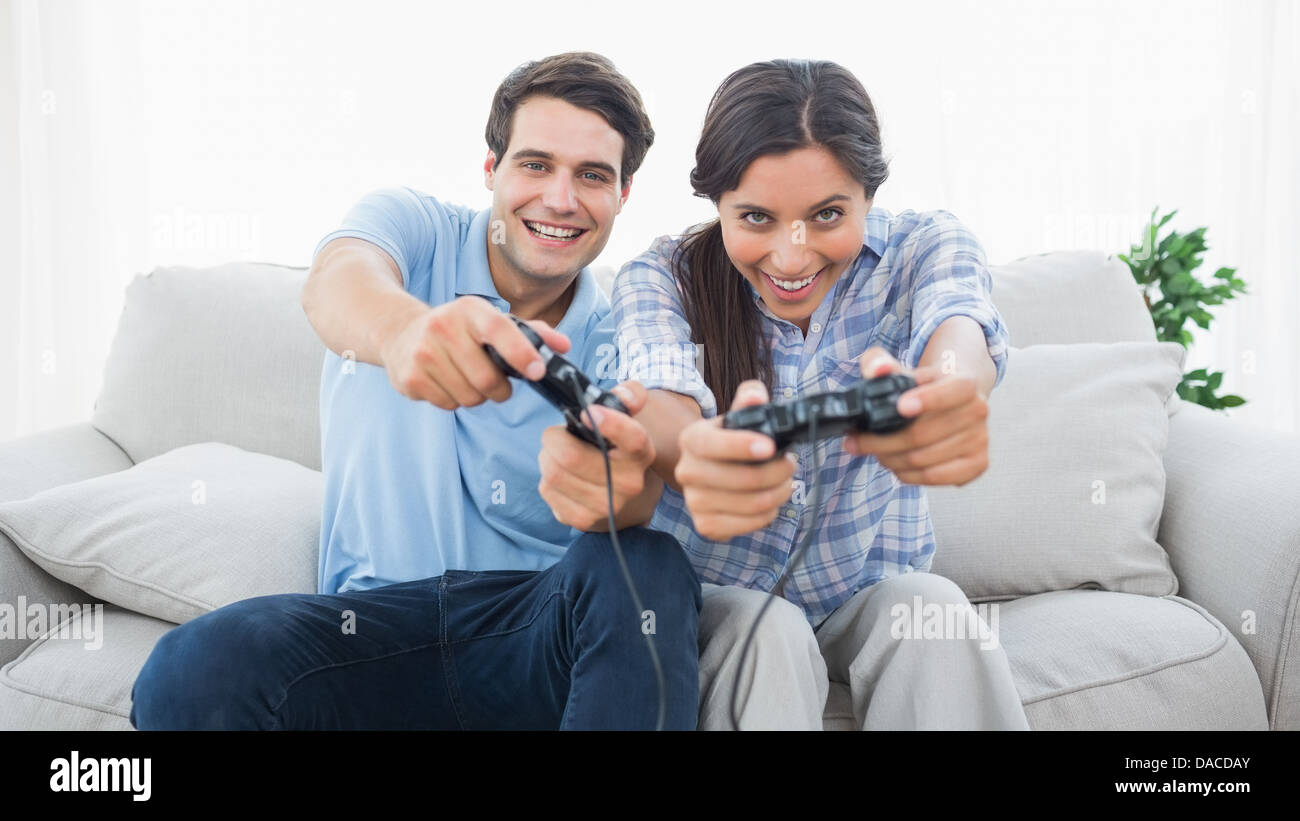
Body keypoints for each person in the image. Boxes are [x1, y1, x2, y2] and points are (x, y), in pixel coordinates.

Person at [128, 52, 702, 730]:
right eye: (536, 164)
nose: (560, 198)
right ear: (492, 169)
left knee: (645, 562)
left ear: (623, 195)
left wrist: (616, 484)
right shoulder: (415, 229)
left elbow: (636, 486)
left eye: (593, 176)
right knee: (199, 664)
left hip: (528, 639)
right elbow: (337, 282)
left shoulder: (621, 334)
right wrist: (405, 332)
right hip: (366, 634)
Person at [612, 58, 1031, 730]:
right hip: (723, 596)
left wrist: (944, 392)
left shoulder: (924, 249)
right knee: (768, 630)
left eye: (827, 214)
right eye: (756, 217)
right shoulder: (664, 279)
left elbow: (959, 327)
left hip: (859, 592)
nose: (791, 256)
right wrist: (693, 447)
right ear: (717, 205)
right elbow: (659, 388)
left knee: (937, 610)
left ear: (870, 195)